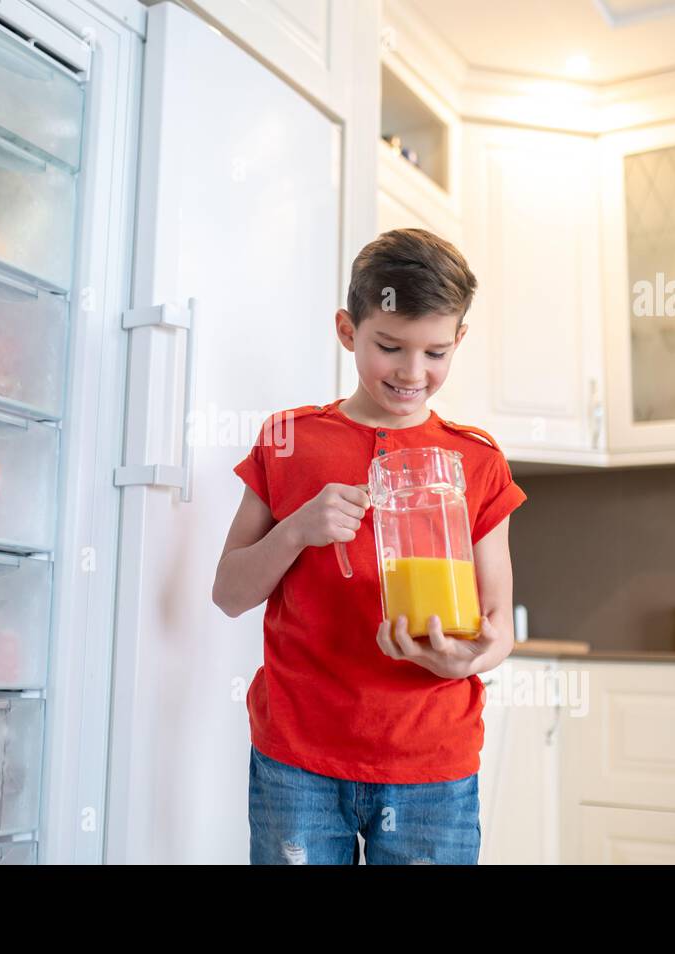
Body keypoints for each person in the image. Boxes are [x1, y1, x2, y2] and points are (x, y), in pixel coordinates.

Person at [212, 228, 527, 865]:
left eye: (436, 352)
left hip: (430, 761)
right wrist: (297, 528)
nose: (414, 372)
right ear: (347, 330)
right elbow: (229, 593)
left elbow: (498, 626)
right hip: (297, 759)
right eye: (390, 346)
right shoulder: (289, 440)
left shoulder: (477, 460)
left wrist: (464, 662)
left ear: (459, 340)